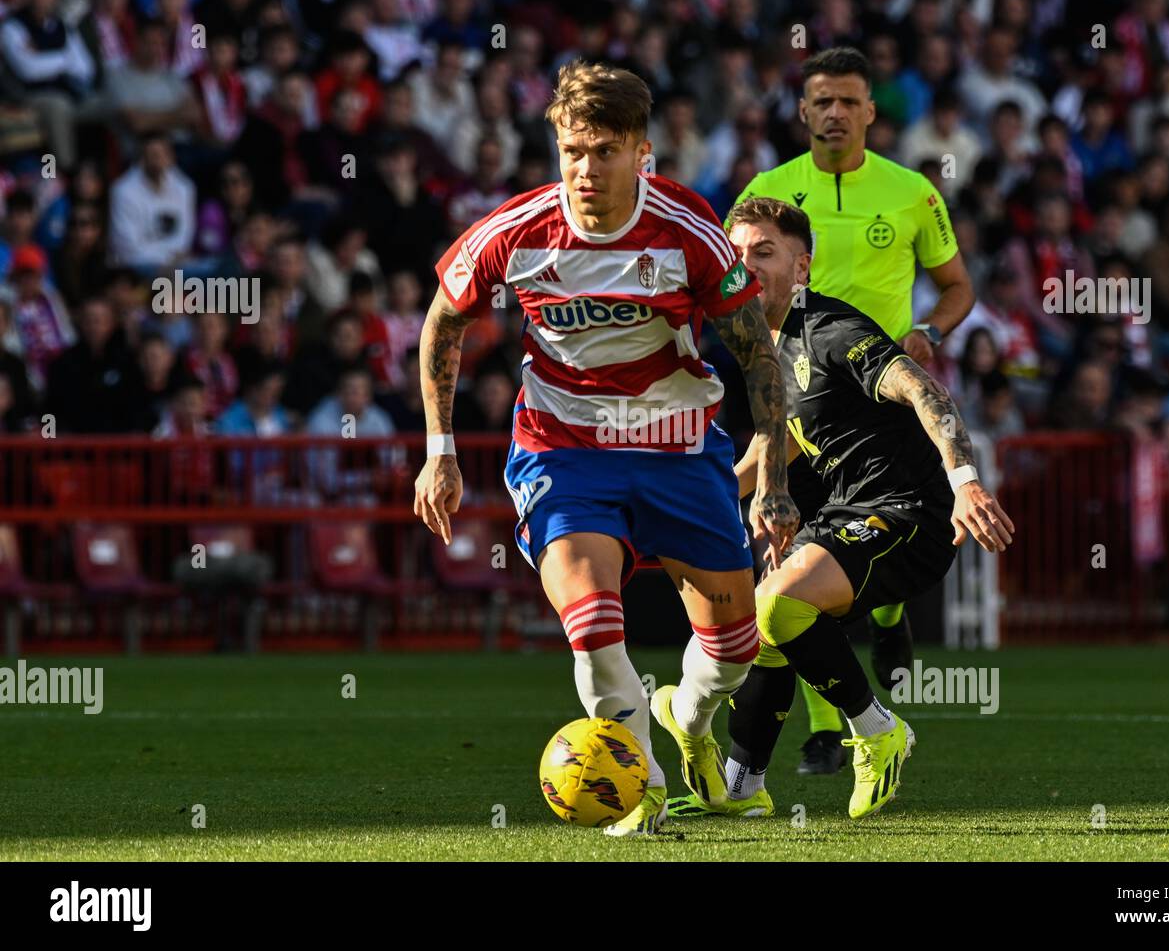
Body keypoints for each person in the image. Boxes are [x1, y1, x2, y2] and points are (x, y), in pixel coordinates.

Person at [412, 61, 798, 836]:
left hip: (680, 448)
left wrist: (774, 479)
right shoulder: (515, 232)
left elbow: (757, 354)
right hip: (563, 450)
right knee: (590, 618)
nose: (587, 169)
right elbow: (442, 324)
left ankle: (685, 715)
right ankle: (643, 785)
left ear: (642, 151)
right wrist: (440, 447)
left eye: (606, 151)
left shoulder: (688, 230)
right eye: (572, 151)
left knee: (735, 645)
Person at [669, 196, 1013, 819]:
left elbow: (923, 388)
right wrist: (682, 502)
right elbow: (773, 444)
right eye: (736, 254)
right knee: (762, 632)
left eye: (763, 253)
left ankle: (879, 732)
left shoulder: (831, 331)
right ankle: (741, 788)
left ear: (802, 268)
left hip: (912, 516)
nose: (746, 266)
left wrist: (965, 480)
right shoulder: (763, 347)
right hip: (845, 514)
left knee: (780, 603)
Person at [733, 46, 976, 774]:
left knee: (824, 555)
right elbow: (733, 279)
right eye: (821, 101)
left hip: (878, 395)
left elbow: (957, 284)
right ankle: (826, 730)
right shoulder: (768, 192)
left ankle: (888, 625)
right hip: (794, 390)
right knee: (788, 563)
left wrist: (930, 330)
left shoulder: (913, 192)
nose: (834, 112)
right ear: (803, 112)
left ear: (871, 110)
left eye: (848, 101)